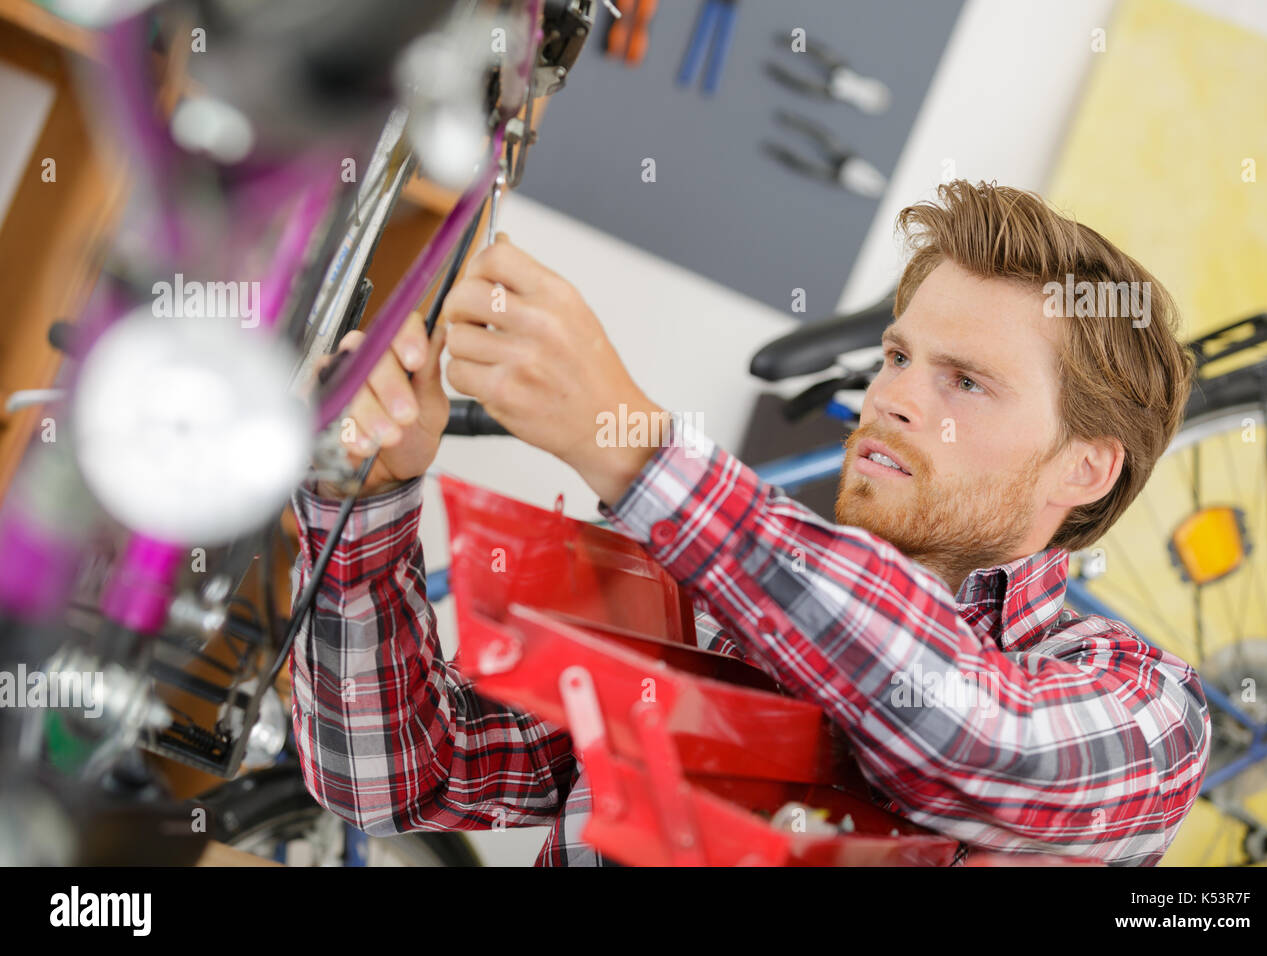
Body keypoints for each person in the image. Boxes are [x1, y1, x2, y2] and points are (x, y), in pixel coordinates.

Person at [288, 180, 1209, 866]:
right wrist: (364, 498)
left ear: (1086, 467)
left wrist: (635, 450)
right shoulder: (720, 623)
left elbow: (965, 741)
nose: (888, 396)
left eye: (964, 381)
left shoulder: (1149, 714)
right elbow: (397, 775)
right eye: (896, 355)